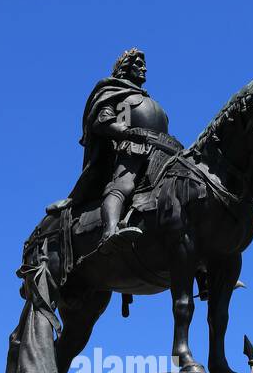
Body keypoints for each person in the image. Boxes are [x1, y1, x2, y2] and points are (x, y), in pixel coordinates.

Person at [67, 48, 180, 253]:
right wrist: (127, 132)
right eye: (138, 64)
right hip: (134, 150)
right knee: (123, 186)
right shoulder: (121, 96)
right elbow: (106, 123)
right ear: (125, 68)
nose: (144, 68)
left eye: (144, 64)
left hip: (164, 152)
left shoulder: (147, 100)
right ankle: (110, 233)